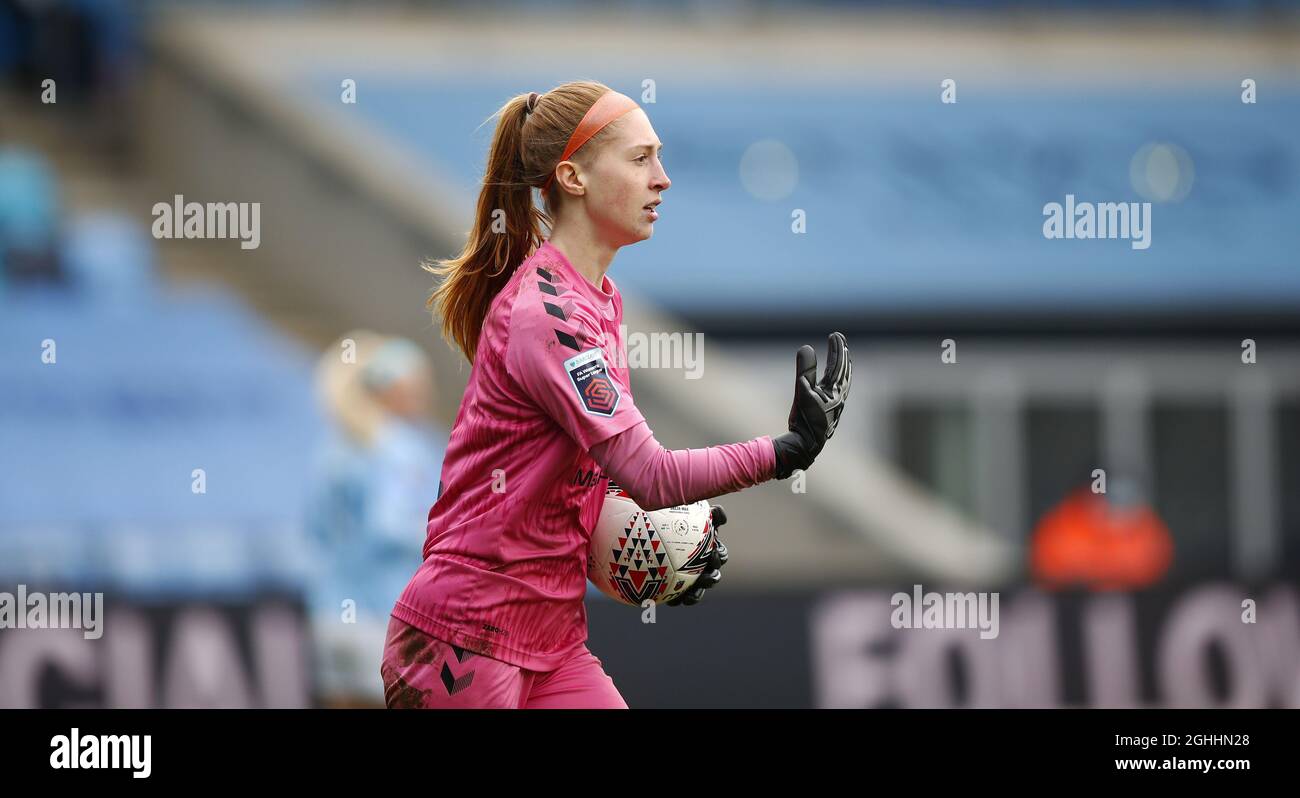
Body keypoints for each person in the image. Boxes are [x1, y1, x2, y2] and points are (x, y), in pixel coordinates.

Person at [381, 80, 853, 709]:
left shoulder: (598, 298)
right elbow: (650, 475)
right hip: (461, 638)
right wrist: (783, 451)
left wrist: (653, 547)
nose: (662, 178)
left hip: (550, 640)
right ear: (573, 177)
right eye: (640, 159)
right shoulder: (550, 315)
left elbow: (599, 481)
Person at [308, 331, 446, 706]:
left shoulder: (334, 450)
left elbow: (315, 533)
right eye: (414, 386)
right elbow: (394, 526)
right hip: (384, 616)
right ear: (389, 391)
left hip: (330, 612)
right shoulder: (401, 448)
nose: (423, 396)